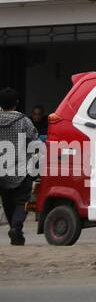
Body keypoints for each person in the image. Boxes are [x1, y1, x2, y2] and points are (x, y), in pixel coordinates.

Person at [0, 88, 38, 245]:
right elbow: (35, 141)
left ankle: (16, 232)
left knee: (7, 202)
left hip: (2, 170)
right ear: (17, 102)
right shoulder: (23, 121)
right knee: (22, 201)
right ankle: (16, 228)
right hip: (21, 170)